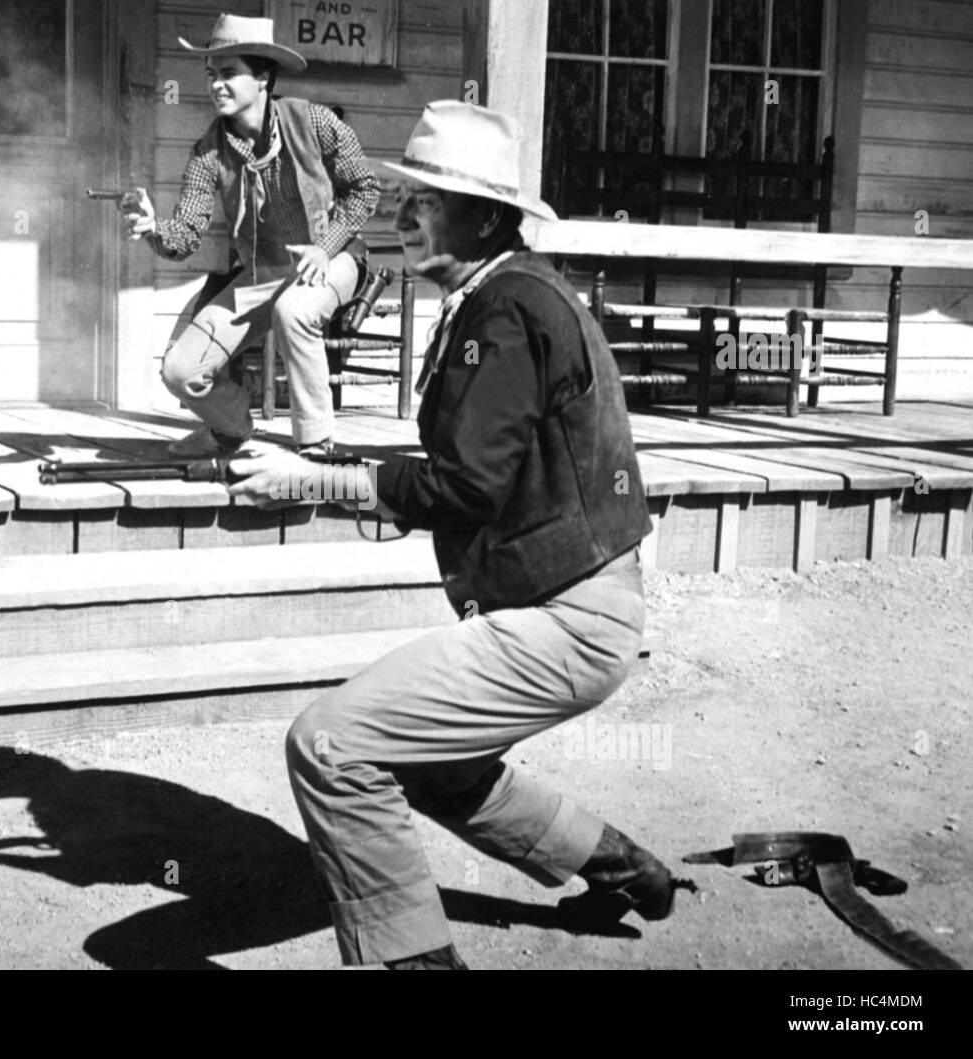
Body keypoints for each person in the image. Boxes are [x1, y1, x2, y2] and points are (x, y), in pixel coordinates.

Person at [230, 100, 689, 969]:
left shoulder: (508, 309)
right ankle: (626, 869)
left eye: (426, 200)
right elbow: (475, 463)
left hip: (568, 619)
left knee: (330, 744)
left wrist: (313, 477)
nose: (404, 215)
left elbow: (464, 484)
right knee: (434, 768)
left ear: (484, 217)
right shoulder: (504, 293)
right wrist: (339, 473)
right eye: (405, 196)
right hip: (566, 606)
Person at [121, 14, 380, 458]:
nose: (216, 85)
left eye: (228, 74)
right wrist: (152, 228)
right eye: (210, 76)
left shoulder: (314, 122)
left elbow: (365, 188)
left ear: (263, 77)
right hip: (263, 274)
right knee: (180, 371)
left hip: (333, 258)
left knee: (295, 308)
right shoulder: (208, 152)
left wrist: (326, 245)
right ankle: (232, 429)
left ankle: (316, 445)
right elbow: (185, 236)